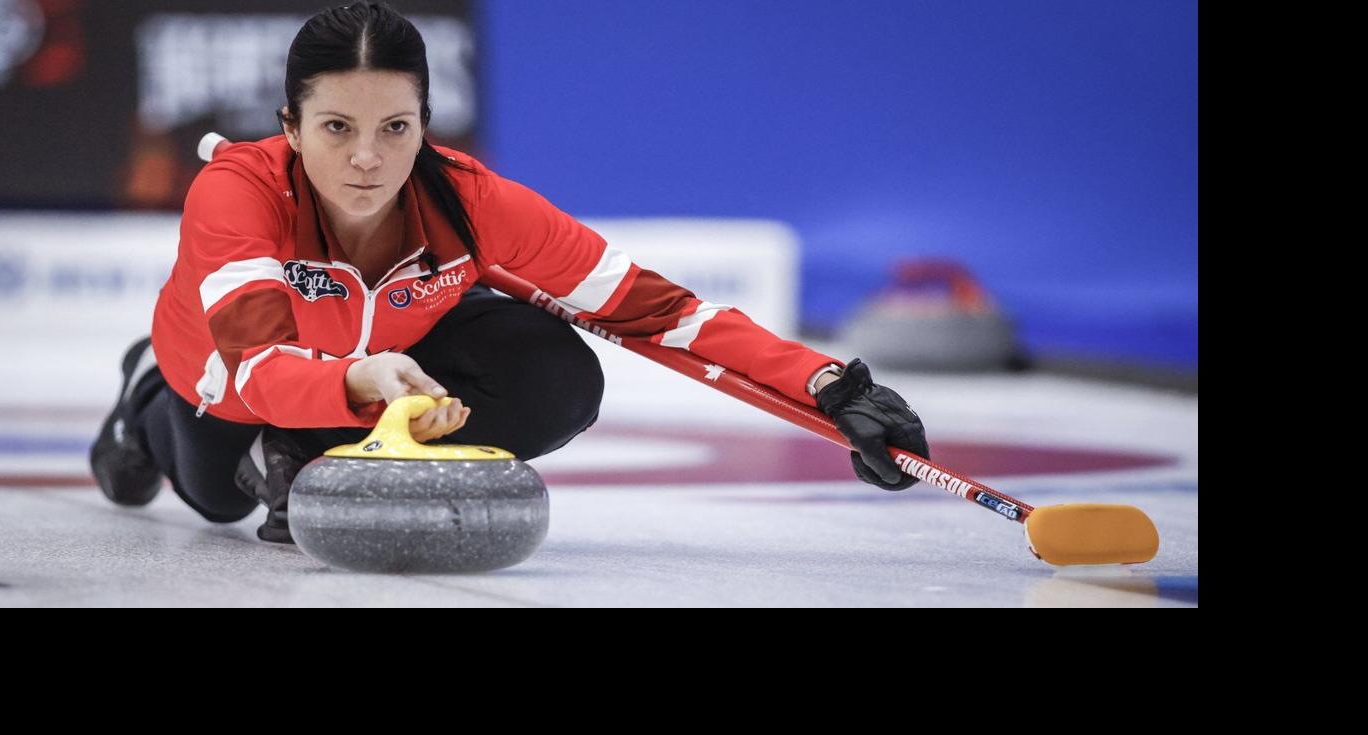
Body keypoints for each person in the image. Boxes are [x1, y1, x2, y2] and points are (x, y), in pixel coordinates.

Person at [88, 1, 928, 543]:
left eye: (395, 127)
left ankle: (308, 452)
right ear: (290, 126)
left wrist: (827, 385)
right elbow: (258, 364)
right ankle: (144, 393)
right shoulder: (236, 192)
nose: (368, 159)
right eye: (337, 127)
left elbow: (656, 311)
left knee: (556, 374)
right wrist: (356, 379)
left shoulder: (471, 201)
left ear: (426, 123)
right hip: (225, 376)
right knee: (221, 499)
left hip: (376, 369)